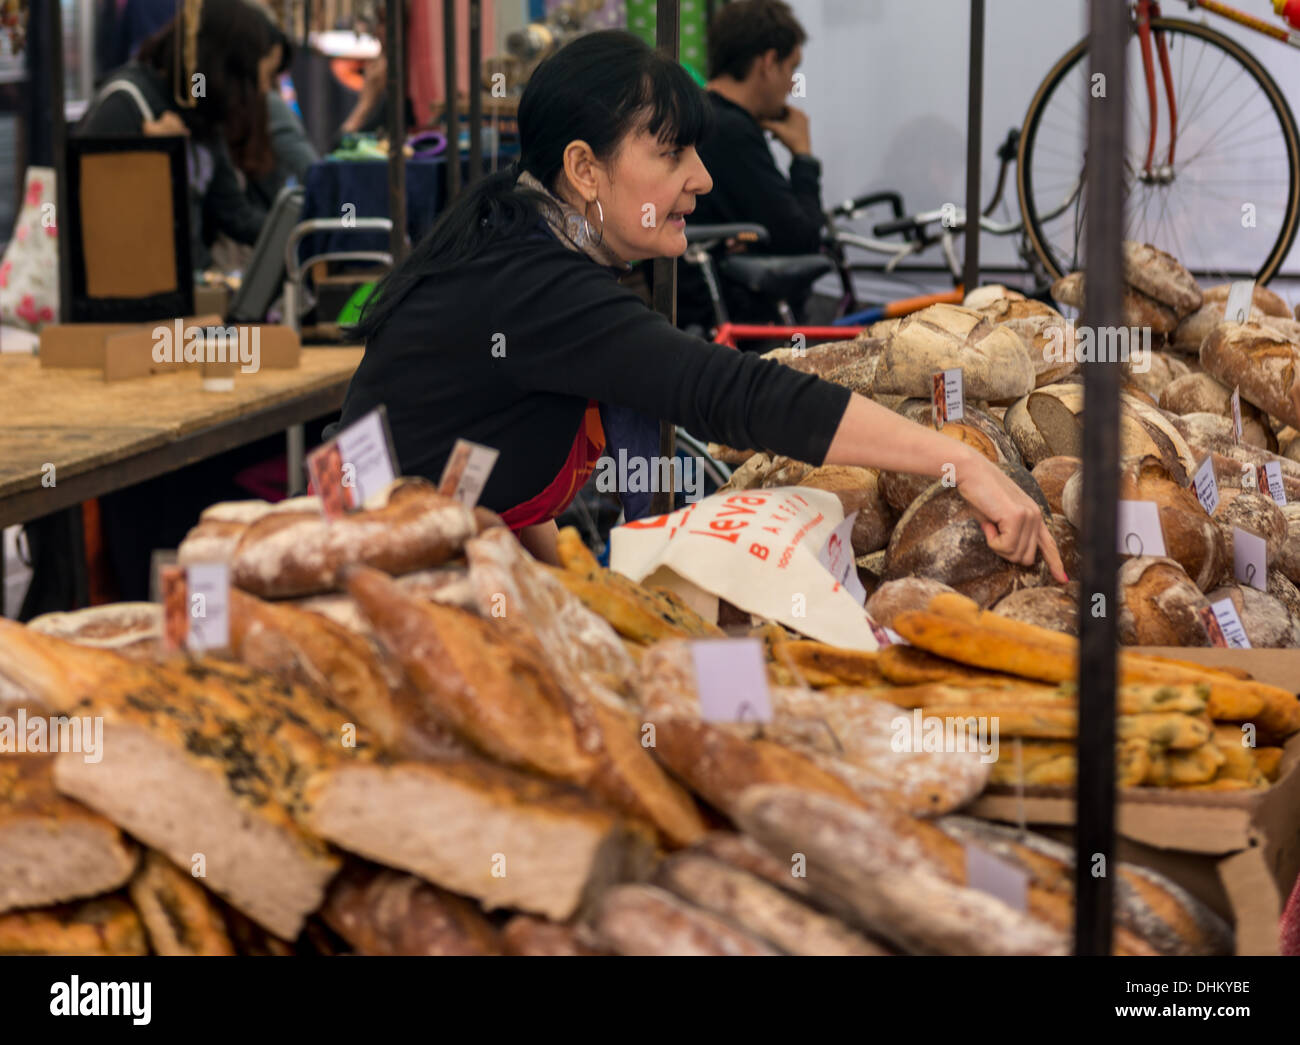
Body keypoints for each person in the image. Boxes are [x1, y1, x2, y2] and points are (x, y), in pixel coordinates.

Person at [340, 30, 1065, 581]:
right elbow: (731, 391)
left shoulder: (527, 244)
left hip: (432, 560)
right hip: (381, 579)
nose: (703, 178)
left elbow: (491, 464)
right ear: (584, 169)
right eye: (672, 154)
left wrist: (568, 590)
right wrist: (960, 463)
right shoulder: (536, 284)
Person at [78, 0, 272, 272]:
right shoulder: (125, 105)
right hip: (134, 293)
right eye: (243, 81)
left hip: (189, 289)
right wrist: (154, 160)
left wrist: (297, 232)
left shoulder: (200, 114)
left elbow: (234, 213)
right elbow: (92, 216)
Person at [678, 0, 825, 330]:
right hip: (740, 328)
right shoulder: (731, 131)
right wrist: (803, 157)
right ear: (769, 62)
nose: (791, 85)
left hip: (692, 316)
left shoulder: (699, 116)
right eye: (792, 68)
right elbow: (802, 238)